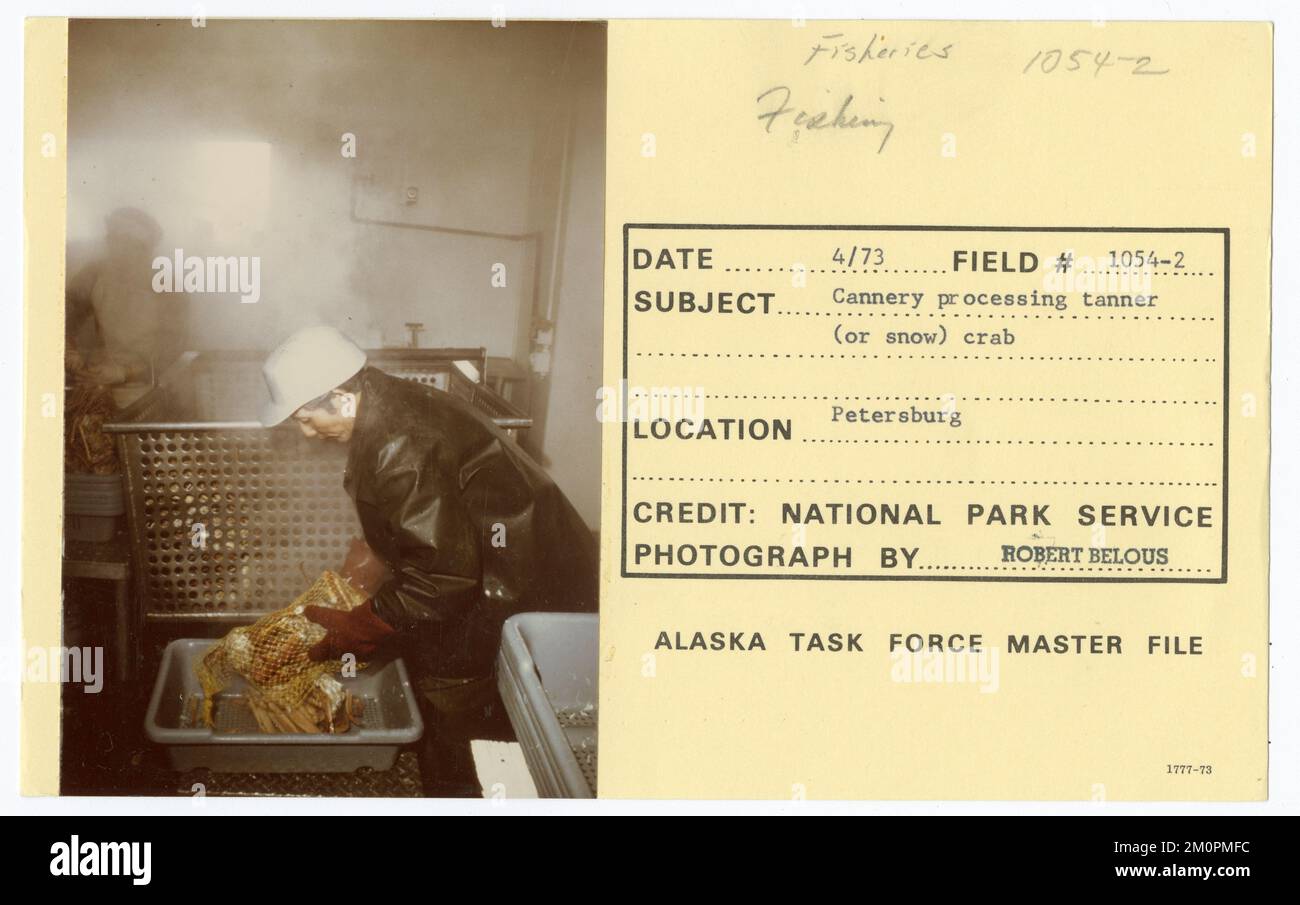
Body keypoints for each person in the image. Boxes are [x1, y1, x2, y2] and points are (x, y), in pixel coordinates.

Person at [259, 324, 598, 794]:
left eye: (306, 418)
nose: (307, 433)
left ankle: (461, 790)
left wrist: (369, 622)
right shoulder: (385, 400)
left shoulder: (400, 445)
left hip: (515, 578)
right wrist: (376, 560)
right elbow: (426, 522)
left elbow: (443, 578)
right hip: (508, 559)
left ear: (339, 397)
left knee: (455, 699)